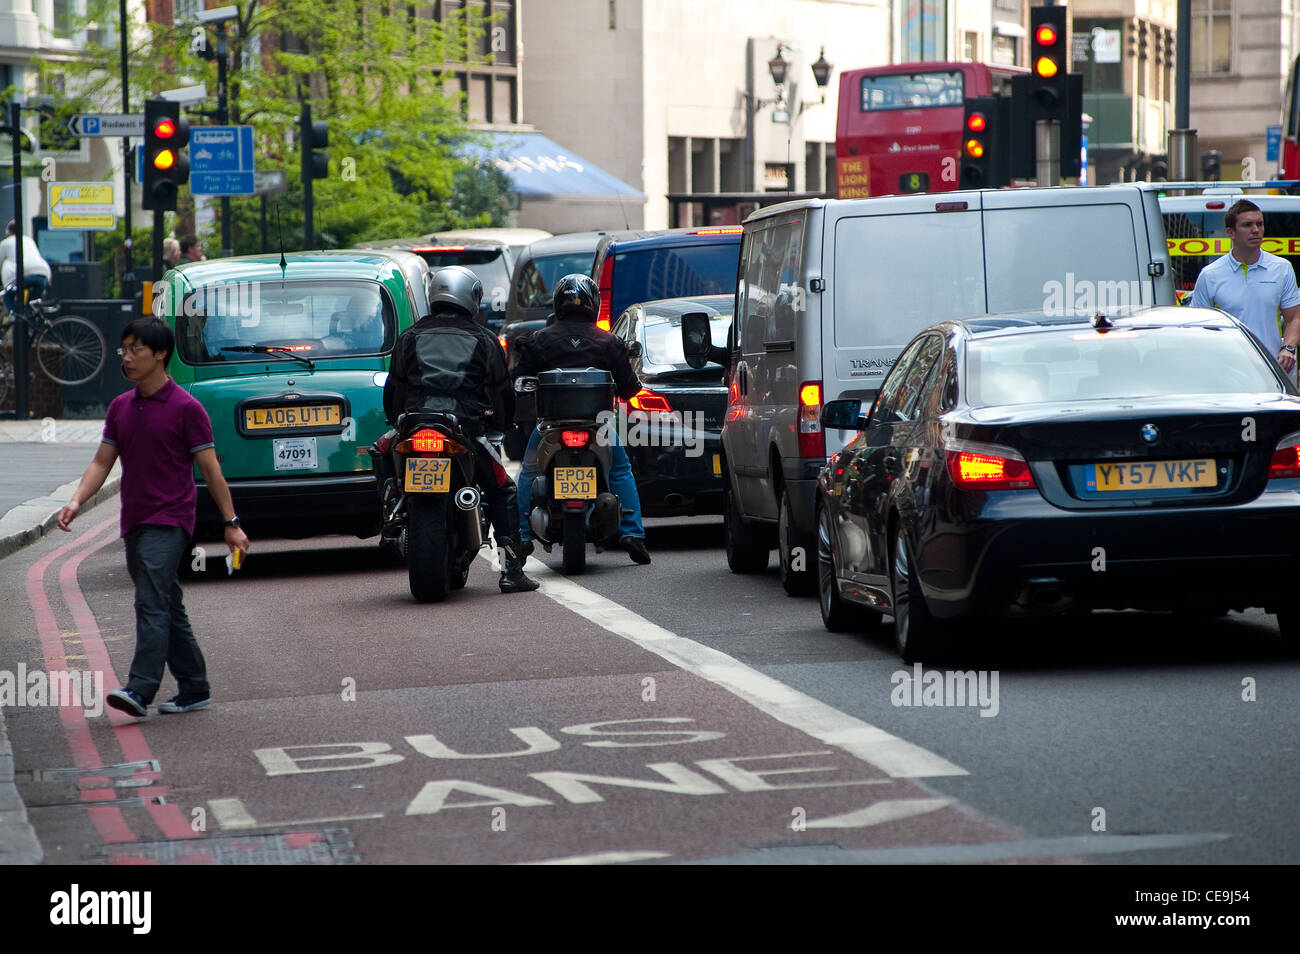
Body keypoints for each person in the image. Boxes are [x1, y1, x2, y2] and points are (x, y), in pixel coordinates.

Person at [57, 317, 250, 717]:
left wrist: (232, 525)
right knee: (166, 603)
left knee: (150, 602)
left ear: (160, 354)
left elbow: (212, 471)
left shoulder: (186, 408)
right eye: (122, 349)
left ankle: (140, 689)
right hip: (135, 522)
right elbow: (101, 462)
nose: (126, 357)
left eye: (135, 349)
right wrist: (76, 500)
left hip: (171, 520)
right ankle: (195, 687)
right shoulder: (120, 407)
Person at [382, 265, 538, 593]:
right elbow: (501, 390)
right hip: (463, 430)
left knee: (380, 451)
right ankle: (511, 571)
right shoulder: (483, 339)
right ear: (470, 296)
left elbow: (393, 389)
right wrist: (504, 422)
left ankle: (390, 510)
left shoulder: (409, 336)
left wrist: (397, 420)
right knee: (501, 491)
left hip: (414, 425)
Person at [511, 274, 651, 565]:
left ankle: (522, 536)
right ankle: (633, 534)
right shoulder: (609, 341)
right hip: (598, 427)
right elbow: (629, 387)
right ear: (593, 303)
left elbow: (519, 380)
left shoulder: (540, 339)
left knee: (528, 471)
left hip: (550, 426)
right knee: (621, 470)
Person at [1191, 198, 1300, 376]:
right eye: (1247, 225)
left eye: (1260, 224)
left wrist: (1288, 348)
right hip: (1227, 372)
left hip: (1273, 369)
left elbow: (1294, 317)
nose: (1256, 230)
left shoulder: (1282, 268)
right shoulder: (1210, 275)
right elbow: (1197, 328)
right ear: (1230, 232)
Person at [1, 220, 53, 316]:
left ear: (8, 232)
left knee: (8, 297)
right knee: (32, 307)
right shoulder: (29, 240)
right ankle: (34, 327)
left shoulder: (5, 243)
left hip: (24, 275)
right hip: (43, 275)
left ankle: (18, 319)